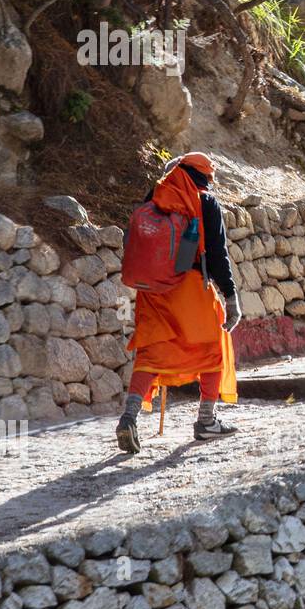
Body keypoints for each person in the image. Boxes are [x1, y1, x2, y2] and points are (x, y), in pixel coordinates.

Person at [116, 152, 241, 453]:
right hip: (189, 287)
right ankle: (207, 421)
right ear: (203, 176)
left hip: (151, 291)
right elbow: (218, 255)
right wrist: (231, 296)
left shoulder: (154, 199)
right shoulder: (205, 202)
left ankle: (129, 417)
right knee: (213, 348)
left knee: (151, 352)